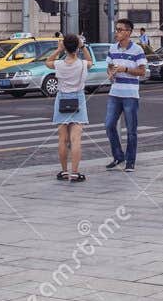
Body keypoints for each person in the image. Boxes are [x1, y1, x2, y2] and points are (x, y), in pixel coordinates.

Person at [46, 35, 92, 182]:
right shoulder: (83, 64)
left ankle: (64, 171)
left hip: (62, 98)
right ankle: (75, 172)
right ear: (77, 47)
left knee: (62, 139)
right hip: (78, 97)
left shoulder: (59, 64)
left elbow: (47, 62)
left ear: (65, 47)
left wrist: (58, 49)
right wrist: (83, 46)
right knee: (76, 139)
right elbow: (91, 61)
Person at [103, 18, 147, 172]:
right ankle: (118, 155)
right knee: (109, 125)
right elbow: (109, 66)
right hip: (114, 92)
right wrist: (110, 74)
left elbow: (142, 72)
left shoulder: (137, 50)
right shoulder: (112, 48)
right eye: (116, 29)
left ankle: (130, 161)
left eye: (120, 30)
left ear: (128, 32)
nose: (117, 32)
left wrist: (126, 69)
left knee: (131, 129)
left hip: (130, 94)